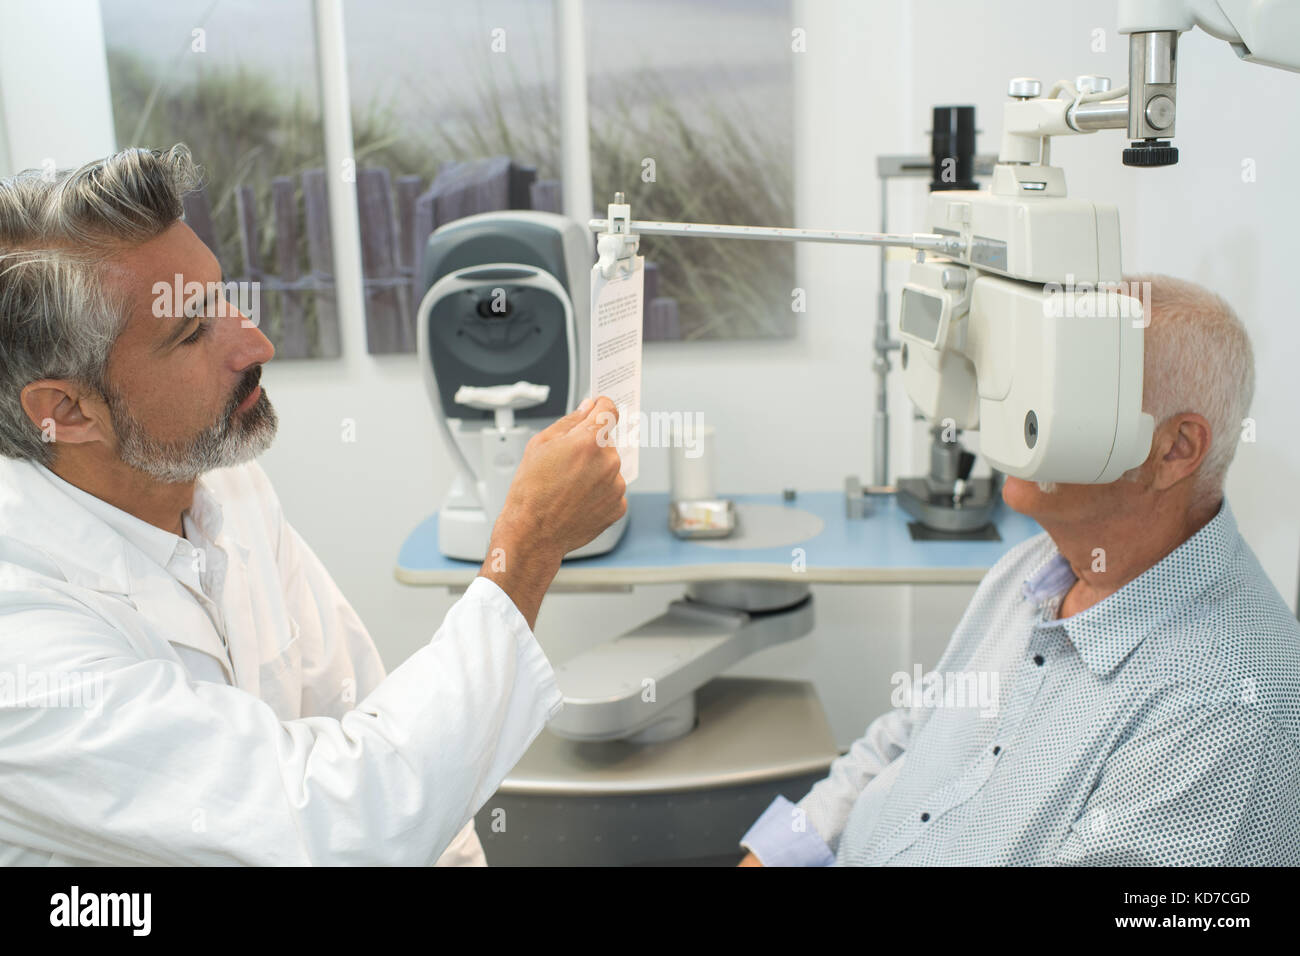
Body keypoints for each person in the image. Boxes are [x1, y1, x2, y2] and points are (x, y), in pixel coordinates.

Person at [0, 145, 627, 865]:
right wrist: (530, 542)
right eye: (192, 331)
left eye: (223, 298)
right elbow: (335, 823)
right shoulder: (23, 641)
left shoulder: (223, 483)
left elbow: (365, 714)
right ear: (66, 411)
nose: (256, 343)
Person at [739, 274, 1300, 866]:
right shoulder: (1036, 567)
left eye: (1068, 388)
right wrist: (778, 853)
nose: (1018, 413)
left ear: (1175, 448)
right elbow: (908, 736)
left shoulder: (1227, 709)